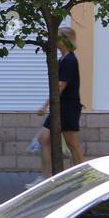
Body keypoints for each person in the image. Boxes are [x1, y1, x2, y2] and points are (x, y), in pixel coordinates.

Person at [35, 26, 85, 179]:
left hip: (68, 108)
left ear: (65, 40)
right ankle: (45, 178)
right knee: (44, 139)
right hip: (61, 107)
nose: (54, 41)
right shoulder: (62, 59)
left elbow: (60, 87)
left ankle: (82, 178)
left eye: (57, 38)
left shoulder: (69, 60)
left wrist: (44, 106)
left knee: (73, 146)